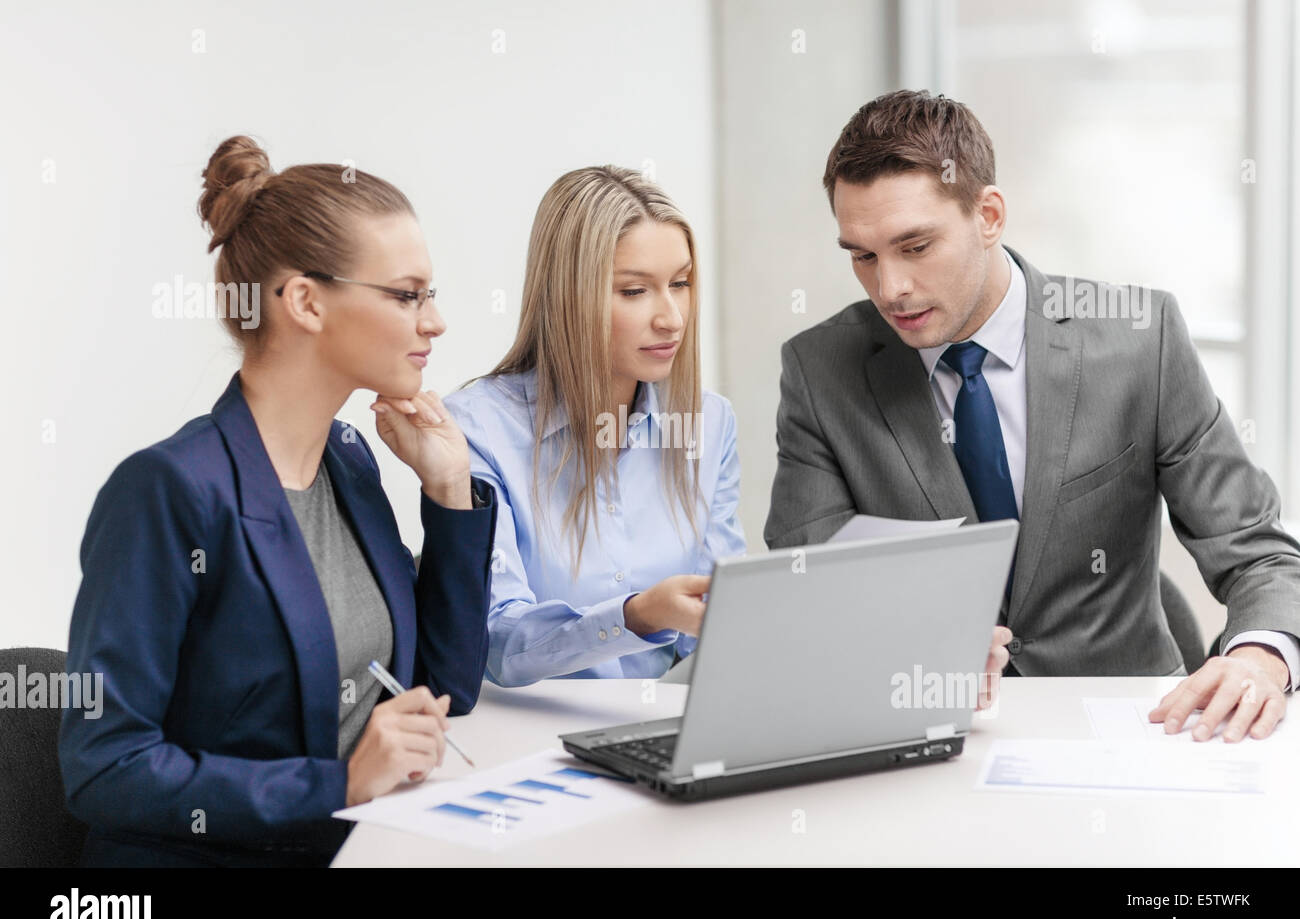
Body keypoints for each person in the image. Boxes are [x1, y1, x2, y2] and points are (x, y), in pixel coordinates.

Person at [766, 89, 1300, 741]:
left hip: (1127, 731)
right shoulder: (820, 370)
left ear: (988, 215)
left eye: (916, 246)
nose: (890, 288)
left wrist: (1261, 657)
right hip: (918, 731)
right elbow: (803, 581)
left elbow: (1256, 550)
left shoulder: (1139, 340)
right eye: (863, 255)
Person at [59, 135, 497, 866]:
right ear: (304, 301)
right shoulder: (170, 489)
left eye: (431, 295)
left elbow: (445, 693)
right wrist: (337, 783)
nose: (434, 321)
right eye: (406, 294)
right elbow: (105, 768)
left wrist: (449, 493)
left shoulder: (348, 464)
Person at [443, 166, 747, 686]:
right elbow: (498, 642)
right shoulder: (479, 429)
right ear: (568, 297)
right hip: (529, 738)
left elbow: (718, 627)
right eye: (634, 291)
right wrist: (637, 617)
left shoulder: (709, 423)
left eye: (681, 283)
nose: (672, 317)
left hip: (656, 727)